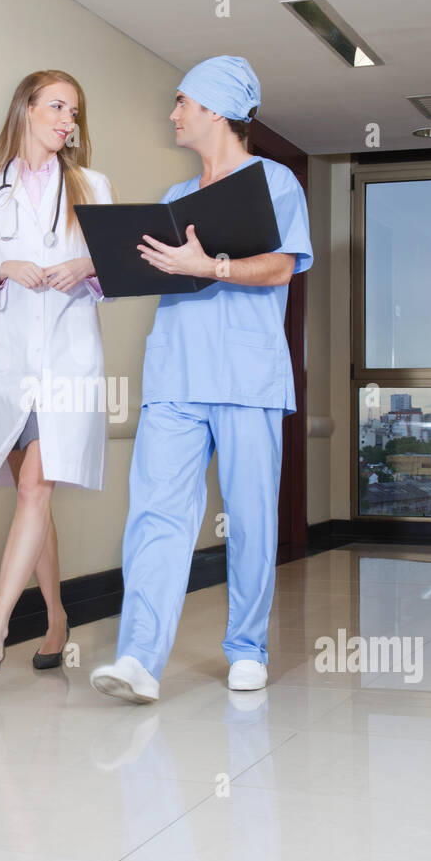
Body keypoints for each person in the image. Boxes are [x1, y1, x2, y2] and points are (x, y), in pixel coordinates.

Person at [90, 55, 313, 703]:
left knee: (248, 518)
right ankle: (139, 657)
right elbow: (153, 270)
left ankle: (247, 649)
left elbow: (279, 269)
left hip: (247, 378)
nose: (174, 113)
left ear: (216, 109)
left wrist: (210, 264)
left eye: (183, 102)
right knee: (156, 515)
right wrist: (98, 266)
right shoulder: (175, 199)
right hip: (176, 377)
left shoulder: (276, 183)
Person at [0, 70, 113, 681]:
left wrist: (85, 267)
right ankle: (57, 619)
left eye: (75, 110)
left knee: (36, 489)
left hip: (68, 363)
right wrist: (2, 269)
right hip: (9, 365)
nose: (67, 120)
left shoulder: (91, 186)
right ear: (25, 110)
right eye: (56, 106)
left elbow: (118, 267)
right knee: (31, 500)